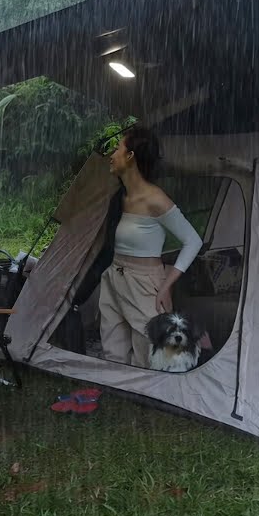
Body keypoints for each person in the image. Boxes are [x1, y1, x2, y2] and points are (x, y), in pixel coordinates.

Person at [88, 125, 202, 368]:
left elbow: (193, 241)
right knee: (112, 346)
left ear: (130, 156)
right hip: (115, 276)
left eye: (117, 148)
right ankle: (118, 394)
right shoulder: (120, 197)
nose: (112, 154)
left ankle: (148, 395)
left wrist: (166, 285)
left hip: (144, 283)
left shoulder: (156, 199)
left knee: (148, 351)